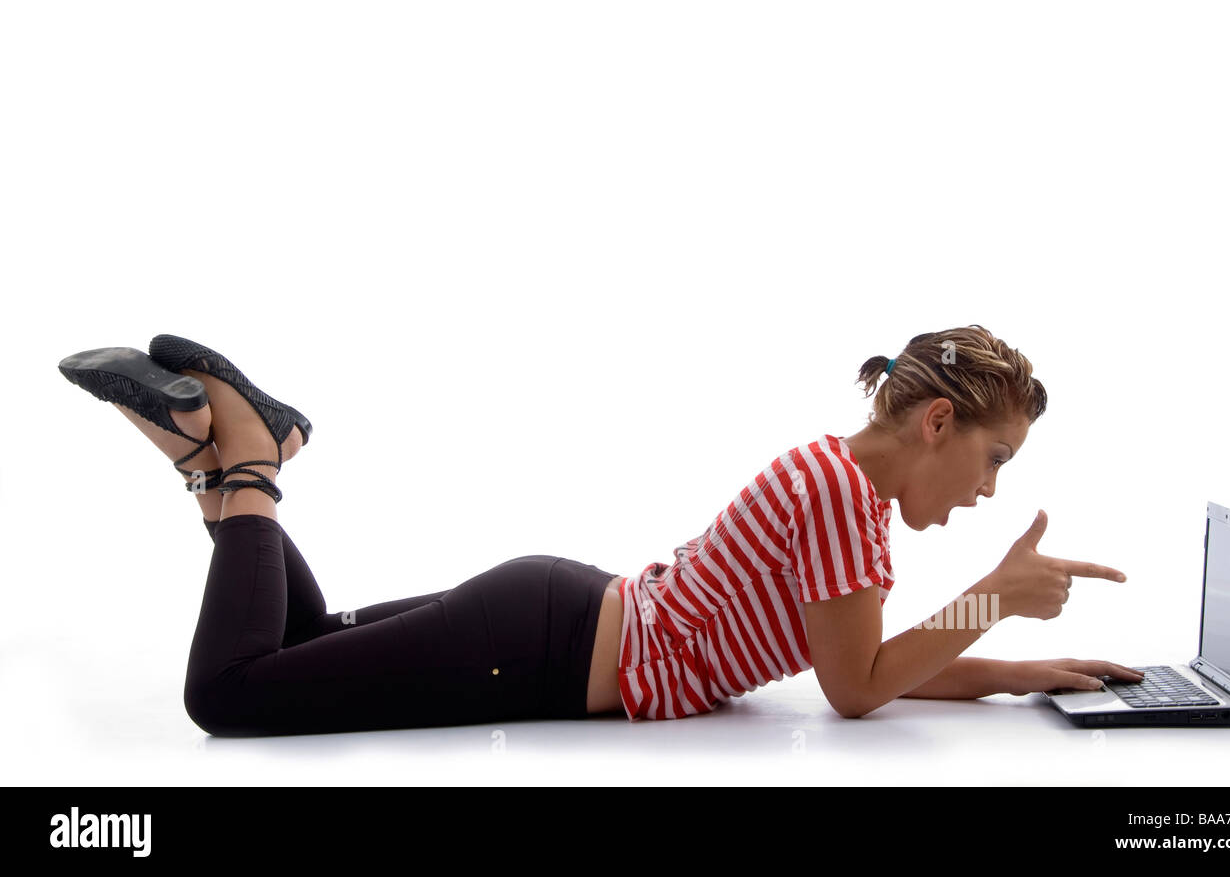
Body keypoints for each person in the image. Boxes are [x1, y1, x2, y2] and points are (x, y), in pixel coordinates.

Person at [58, 325, 1144, 737]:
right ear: (938, 422)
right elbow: (856, 689)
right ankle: (251, 459)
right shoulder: (842, 505)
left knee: (302, 642)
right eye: (994, 459)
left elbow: (852, 664)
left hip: (551, 619)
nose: (988, 491)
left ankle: (215, 463)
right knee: (234, 693)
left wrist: (1015, 670)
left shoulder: (838, 488)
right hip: (537, 645)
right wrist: (993, 593)